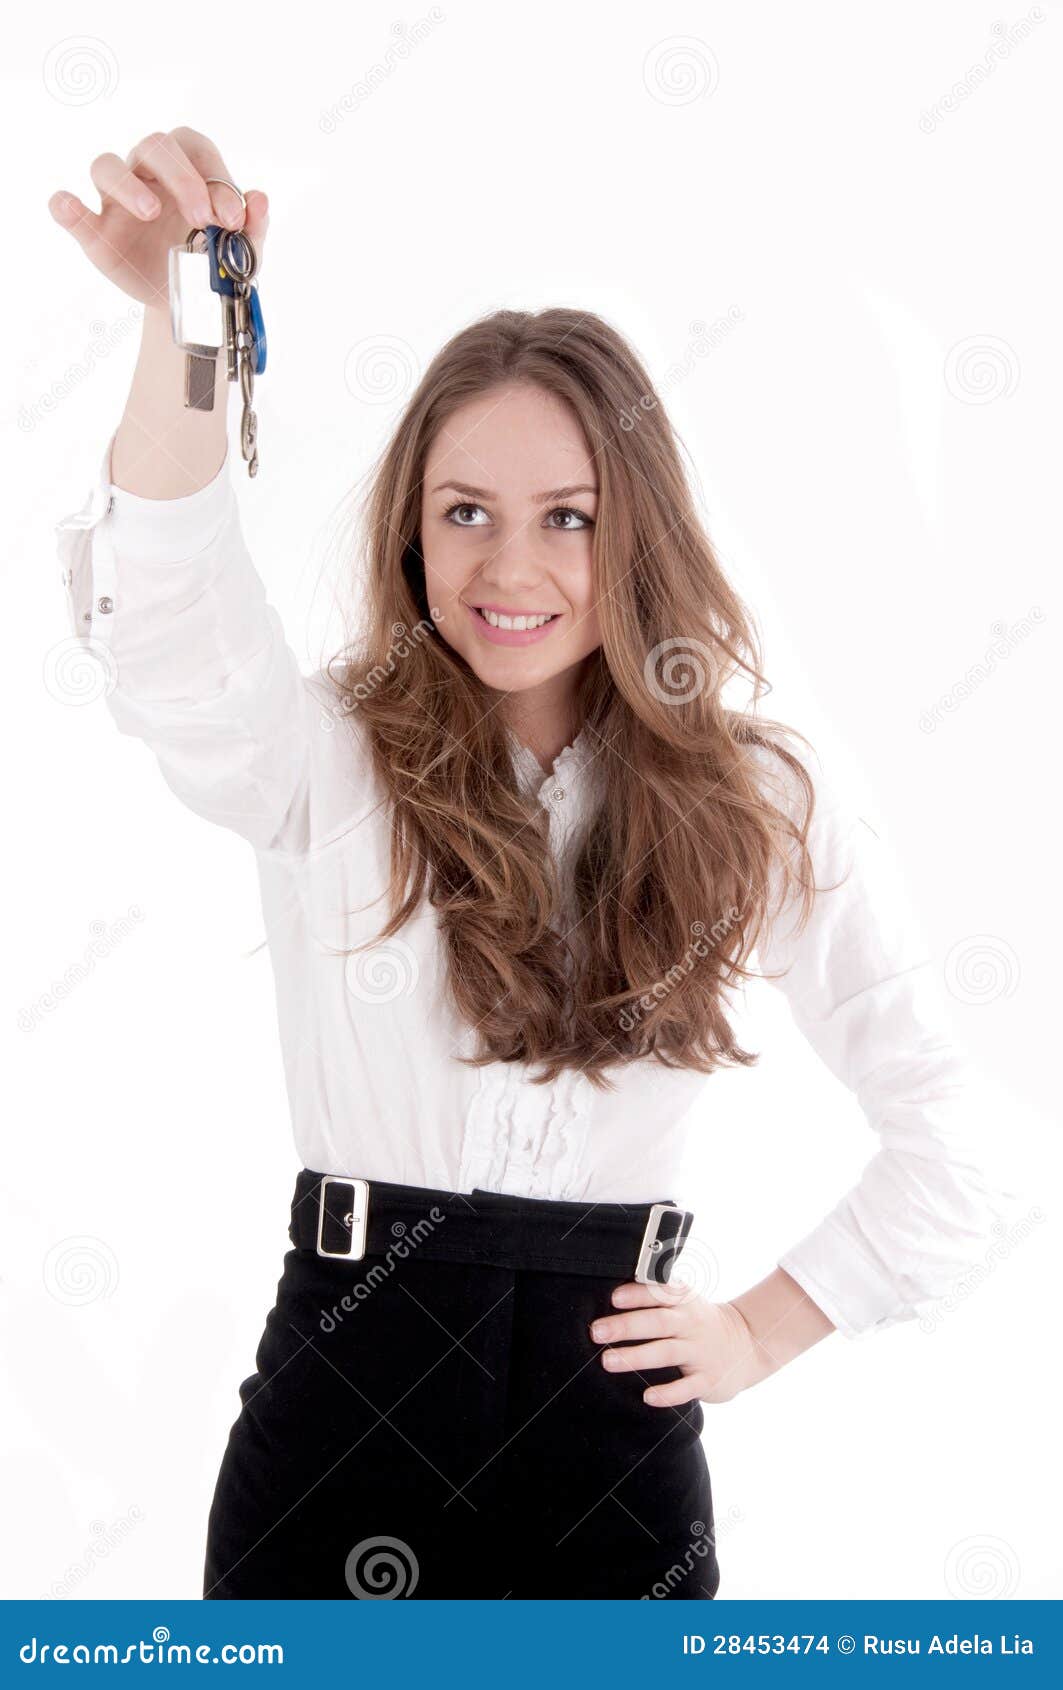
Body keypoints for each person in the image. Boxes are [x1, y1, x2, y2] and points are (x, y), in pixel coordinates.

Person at [48, 128, 1008, 1601]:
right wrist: (187, 318)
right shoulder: (331, 760)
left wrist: (759, 1327)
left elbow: (952, 1134)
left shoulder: (760, 797)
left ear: (637, 533)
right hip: (340, 1410)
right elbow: (170, 625)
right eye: (466, 514)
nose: (512, 568)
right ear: (413, 534)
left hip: (605, 1442)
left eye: (569, 517)